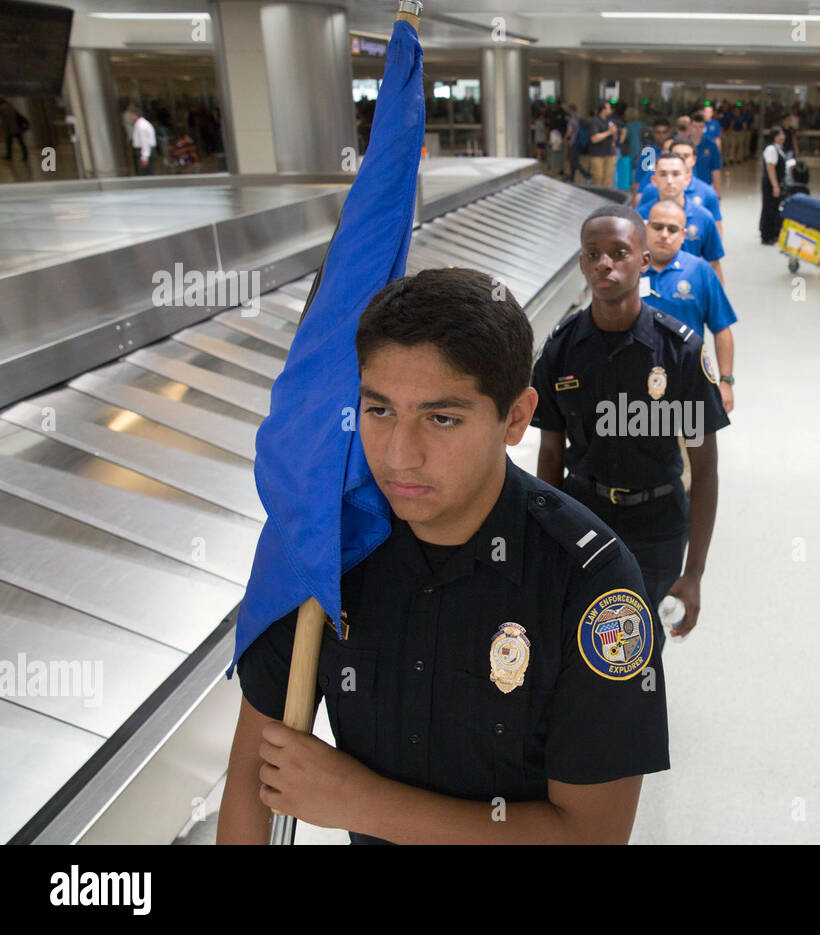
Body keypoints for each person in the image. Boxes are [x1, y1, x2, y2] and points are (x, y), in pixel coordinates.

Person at [222, 267, 668, 845]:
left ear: (516, 416)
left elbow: (591, 836)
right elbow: (253, 775)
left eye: (441, 418)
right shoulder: (328, 556)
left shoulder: (591, 588)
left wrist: (360, 802)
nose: (400, 457)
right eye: (379, 411)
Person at [532, 204, 728, 641]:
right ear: (582, 263)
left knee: (641, 645)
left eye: (619, 252)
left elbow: (706, 467)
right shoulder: (561, 350)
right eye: (593, 253)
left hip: (657, 525)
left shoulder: (679, 352)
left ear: (643, 260)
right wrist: (546, 538)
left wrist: (694, 571)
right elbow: (549, 454)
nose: (605, 263)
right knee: (581, 638)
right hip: (583, 517)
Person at [642, 200, 738, 413]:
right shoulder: (630, 269)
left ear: (683, 234)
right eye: (657, 227)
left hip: (687, 382)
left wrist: (725, 381)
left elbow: (721, 328)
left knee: (690, 444)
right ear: (646, 228)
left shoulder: (701, 272)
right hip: (634, 382)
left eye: (672, 229)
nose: (664, 235)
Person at [636, 151, 724, 284]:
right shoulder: (638, 217)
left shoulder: (704, 218)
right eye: (663, 174)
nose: (669, 181)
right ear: (654, 180)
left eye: (676, 174)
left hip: (689, 290)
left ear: (687, 179)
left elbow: (714, 264)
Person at [638, 140, 723, 239]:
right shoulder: (651, 190)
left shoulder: (707, 194)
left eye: (686, 156)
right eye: (677, 155)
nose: (669, 181)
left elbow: (715, 235)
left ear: (694, 159)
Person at [760, 127, 786, 245]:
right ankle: (766, 235)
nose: (783, 137)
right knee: (768, 208)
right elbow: (770, 168)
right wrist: (775, 185)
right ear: (775, 136)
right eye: (780, 134)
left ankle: (773, 232)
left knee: (774, 208)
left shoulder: (779, 149)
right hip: (770, 183)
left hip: (776, 182)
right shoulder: (771, 149)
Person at [688, 113, 723, 197]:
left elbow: (716, 170)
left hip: (706, 188)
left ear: (704, 128)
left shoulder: (711, 145)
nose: (697, 130)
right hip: (686, 189)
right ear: (689, 127)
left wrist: (717, 195)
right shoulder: (682, 145)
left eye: (700, 127)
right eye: (694, 126)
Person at [586, 101, 618, 188]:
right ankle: (594, 196)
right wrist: (609, 132)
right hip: (597, 154)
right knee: (597, 176)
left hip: (609, 153)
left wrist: (614, 133)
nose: (611, 110)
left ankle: (607, 197)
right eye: (609, 108)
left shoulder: (610, 121)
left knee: (608, 178)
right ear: (603, 110)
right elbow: (594, 138)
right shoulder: (595, 121)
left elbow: (614, 138)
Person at [126, 103, 156, 175]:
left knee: (144, 173)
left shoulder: (141, 126)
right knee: (145, 172)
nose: (130, 116)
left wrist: (144, 157)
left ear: (135, 115)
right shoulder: (141, 124)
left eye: (131, 115)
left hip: (144, 151)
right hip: (145, 151)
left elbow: (144, 141)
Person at [564, 103, 590, 183]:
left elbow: (569, 131)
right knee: (573, 160)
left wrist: (565, 137)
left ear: (569, 110)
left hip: (574, 142)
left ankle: (586, 175)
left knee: (574, 161)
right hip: (579, 142)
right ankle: (572, 178)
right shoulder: (579, 118)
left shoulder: (571, 119)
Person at [0, 99, 28, 163]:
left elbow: (7, 120)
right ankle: (24, 154)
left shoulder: (2, 108)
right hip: (15, 127)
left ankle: (9, 155)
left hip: (10, 129)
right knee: (20, 142)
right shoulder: (10, 106)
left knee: (10, 142)